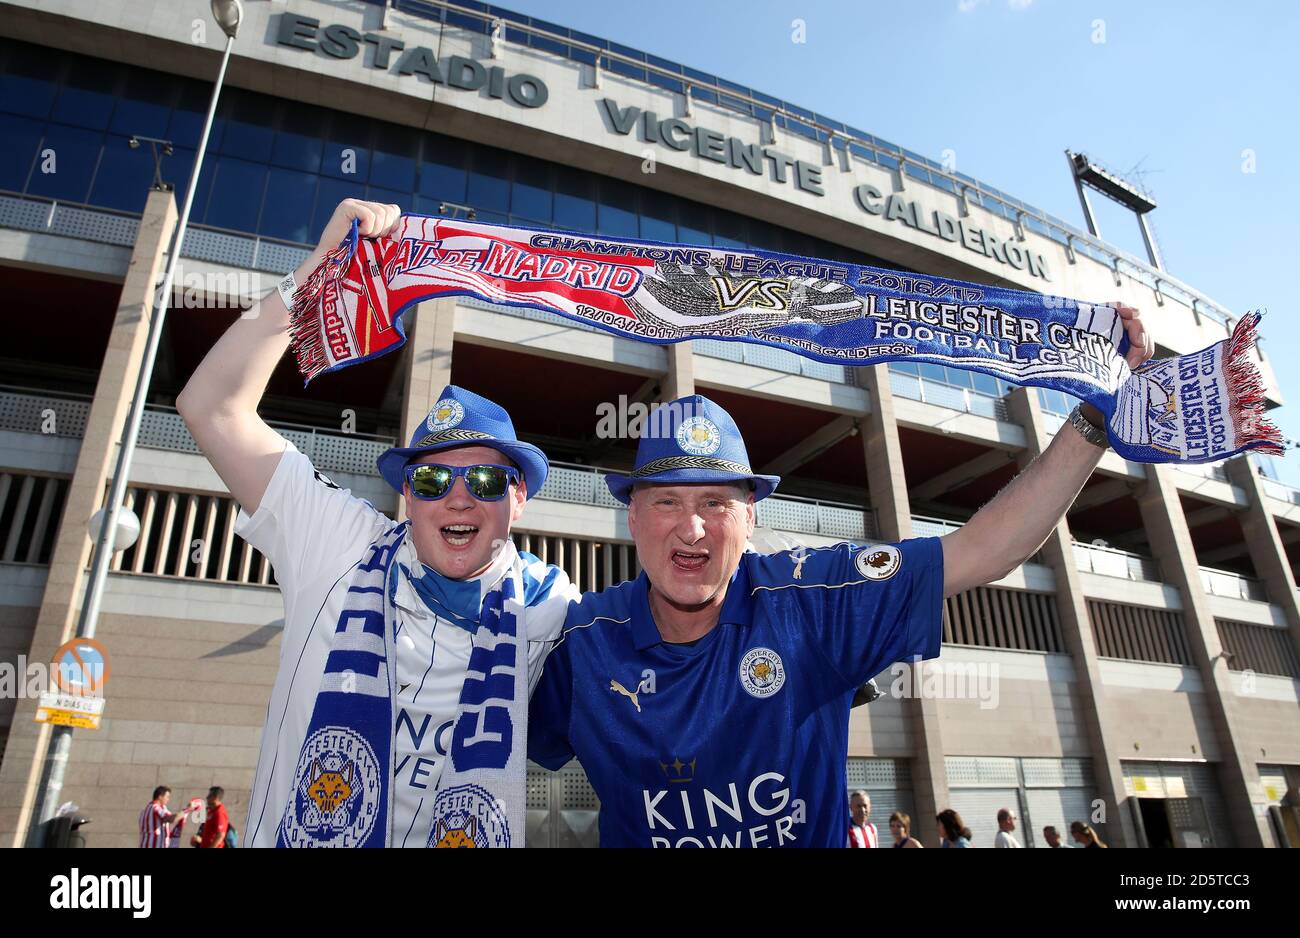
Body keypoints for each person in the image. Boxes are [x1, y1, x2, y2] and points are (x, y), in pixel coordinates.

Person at [528, 296, 1151, 848]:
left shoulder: (811, 601)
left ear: (750, 518)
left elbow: (979, 551)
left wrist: (1092, 421)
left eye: (715, 502)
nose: (691, 529)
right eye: (667, 501)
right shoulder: (581, 643)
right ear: (632, 518)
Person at [177, 199, 576, 848]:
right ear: (406, 498)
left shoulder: (553, 607)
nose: (457, 499)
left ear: (519, 498)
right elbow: (211, 406)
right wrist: (315, 272)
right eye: (430, 480)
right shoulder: (336, 541)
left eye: (484, 480)